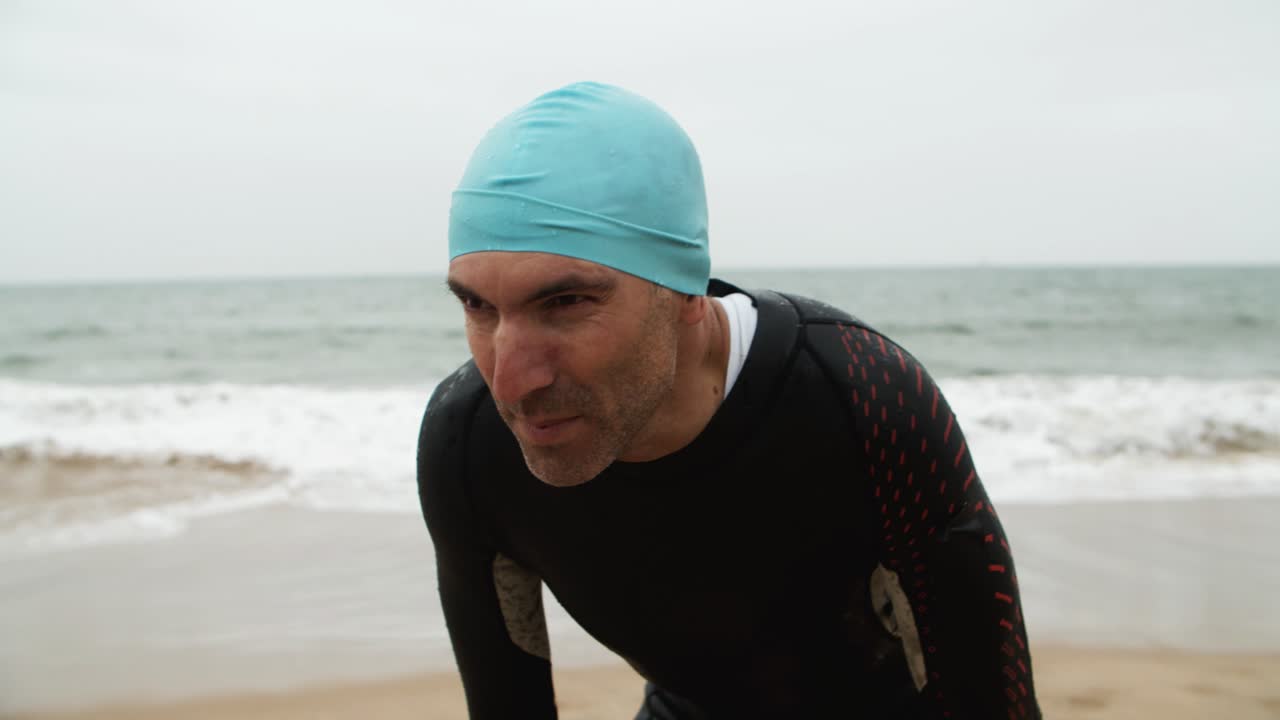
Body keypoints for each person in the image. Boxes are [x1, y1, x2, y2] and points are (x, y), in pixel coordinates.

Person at [418, 81, 1040, 719]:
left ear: (687, 288)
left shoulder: (862, 398)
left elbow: (993, 702)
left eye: (567, 303)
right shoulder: (466, 442)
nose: (512, 381)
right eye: (477, 305)